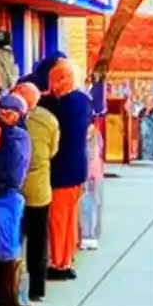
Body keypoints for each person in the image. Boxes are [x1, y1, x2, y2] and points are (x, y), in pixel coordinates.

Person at [0, 94, 33, 306]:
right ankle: (7, 298)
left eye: (11, 112)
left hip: (5, 196)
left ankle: (10, 298)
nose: (6, 116)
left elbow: (15, 173)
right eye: (3, 111)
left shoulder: (16, 137)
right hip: (0, 196)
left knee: (6, 248)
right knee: (3, 247)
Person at [45, 61, 92, 280]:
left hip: (60, 169)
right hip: (77, 167)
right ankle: (67, 259)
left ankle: (58, 263)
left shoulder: (57, 106)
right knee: (70, 217)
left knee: (58, 219)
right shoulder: (83, 101)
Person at [15, 81, 58, 302]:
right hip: (39, 188)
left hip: (15, 188)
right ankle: (37, 289)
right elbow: (53, 150)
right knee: (38, 241)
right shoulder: (48, 119)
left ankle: (14, 290)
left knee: (14, 240)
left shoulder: (10, 118)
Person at [79, 116, 106, 250]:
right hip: (95, 172)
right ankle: (92, 234)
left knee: (88, 202)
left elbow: (92, 154)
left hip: (90, 172)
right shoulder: (96, 133)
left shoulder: (90, 134)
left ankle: (88, 236)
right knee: (95, 203)